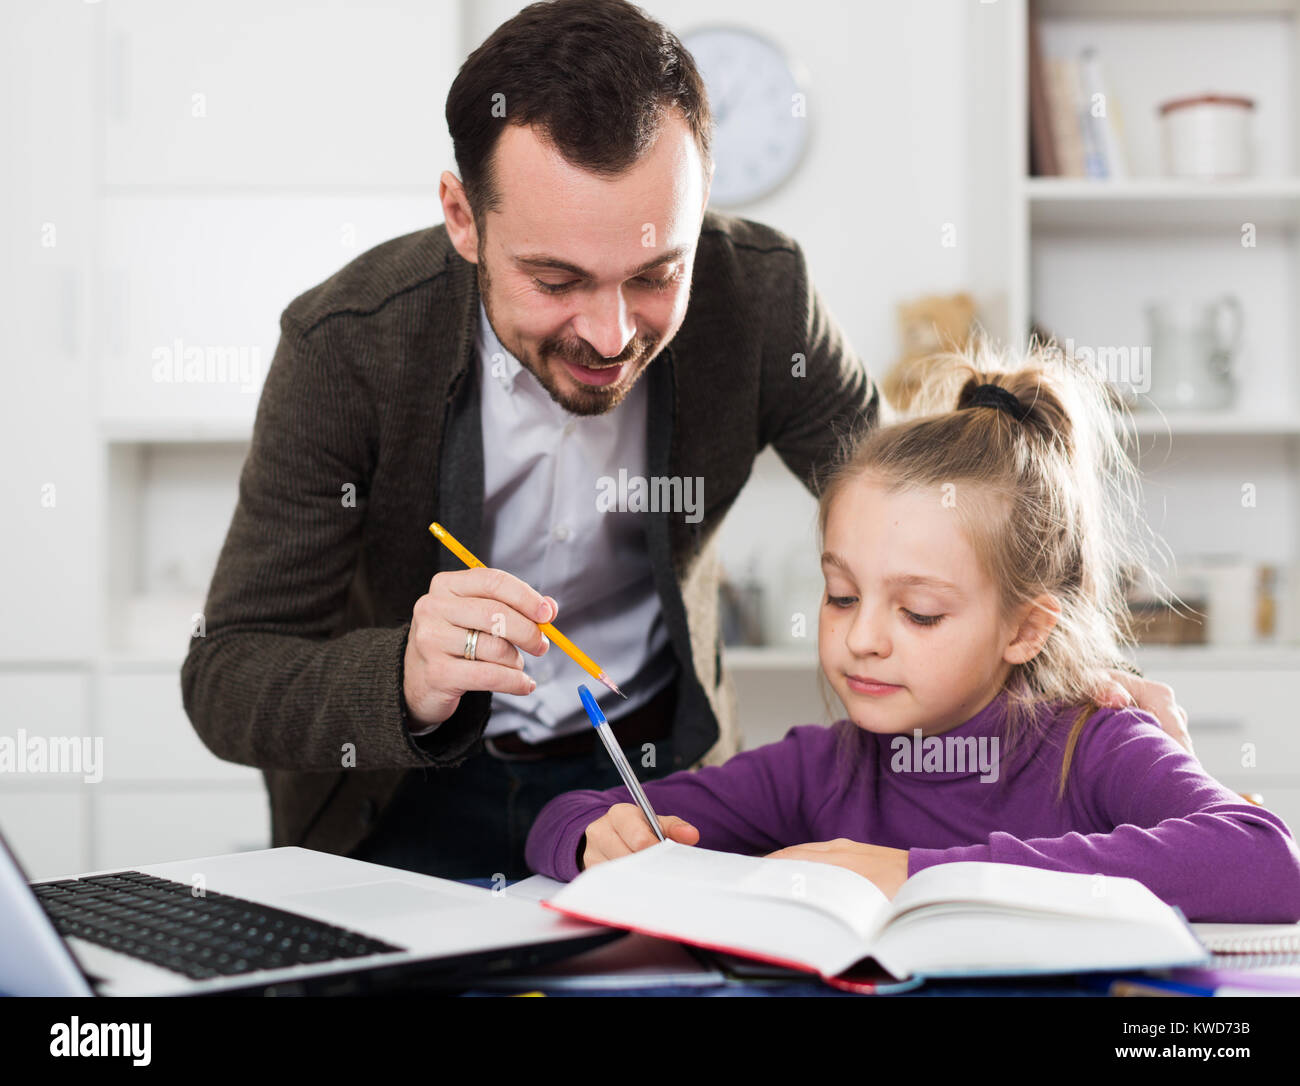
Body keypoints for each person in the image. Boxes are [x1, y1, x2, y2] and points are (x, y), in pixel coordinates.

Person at [182, 0, 1190, 882]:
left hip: (655, 782)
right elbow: (230, 674)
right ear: (462, 217)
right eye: (557, 281)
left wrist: (1064, 677)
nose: (611, 337)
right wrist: (403, 671)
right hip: (404, 798)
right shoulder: (349, 345)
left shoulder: (759, 296)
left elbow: (931, 526)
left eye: (656, 273)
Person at [524, 341, 1300, 923]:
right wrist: (598, 838)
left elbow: (1267, 864)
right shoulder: (820, 767)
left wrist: (917, 873)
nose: (862, 638)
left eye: (918, 612)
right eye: (839, 595)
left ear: (1025, 629)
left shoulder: (1097, 743)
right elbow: (567, 818)